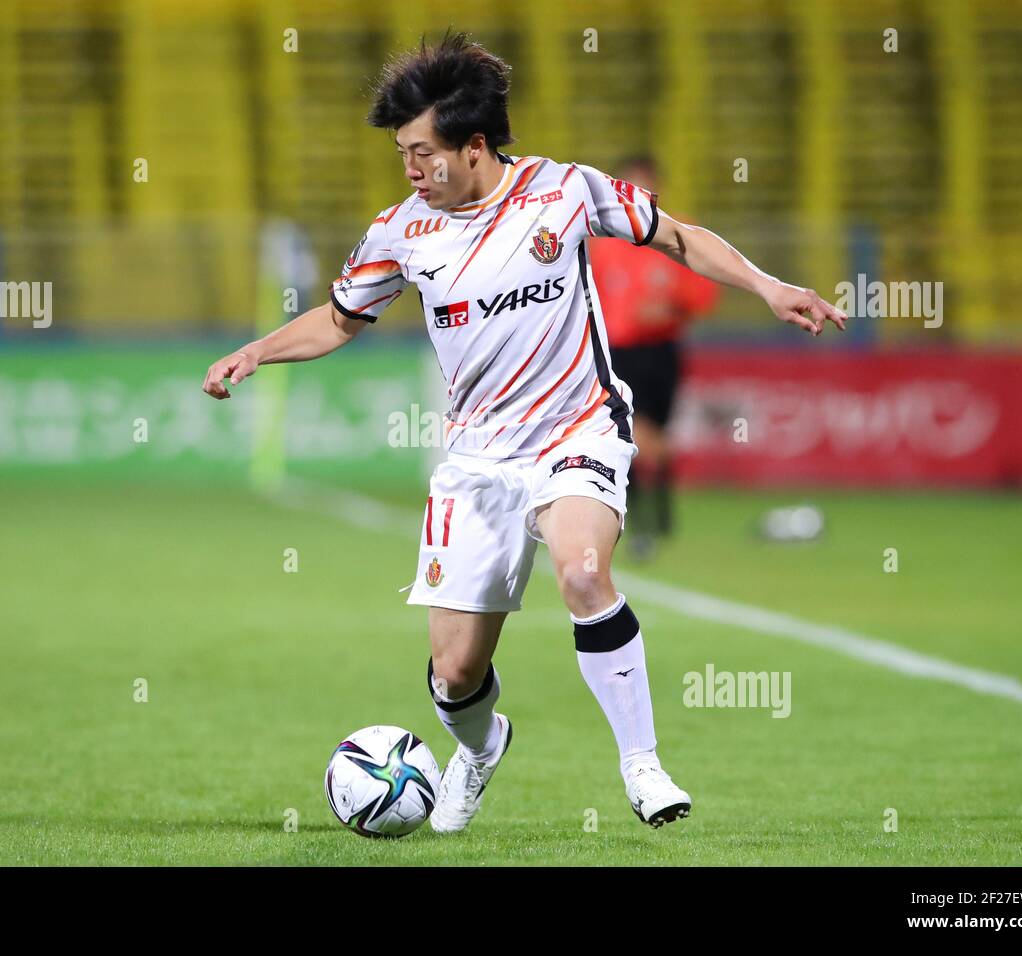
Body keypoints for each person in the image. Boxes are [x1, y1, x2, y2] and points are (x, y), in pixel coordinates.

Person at [203, 32, 845, 832]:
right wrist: (257, 351)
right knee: (456, 670)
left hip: (577, 427)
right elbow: (340, 320)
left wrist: (767, 284)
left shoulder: (565, 192)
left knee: (582, 572)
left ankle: (642, 765)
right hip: (477, 459)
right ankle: (479, 748)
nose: (409, 169)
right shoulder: (401, 231)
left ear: (474, 148)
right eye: (401, 153)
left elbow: (677, 237)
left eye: (420, 152)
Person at [589, 156, 720, 557]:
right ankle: (637, 518)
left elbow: (702, 294)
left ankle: (658, 517)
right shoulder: (600, 241)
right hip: (617, 352)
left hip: (660, 350)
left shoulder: (673, 233)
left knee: (658, 437)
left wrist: (672, 309)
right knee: (627, 434)